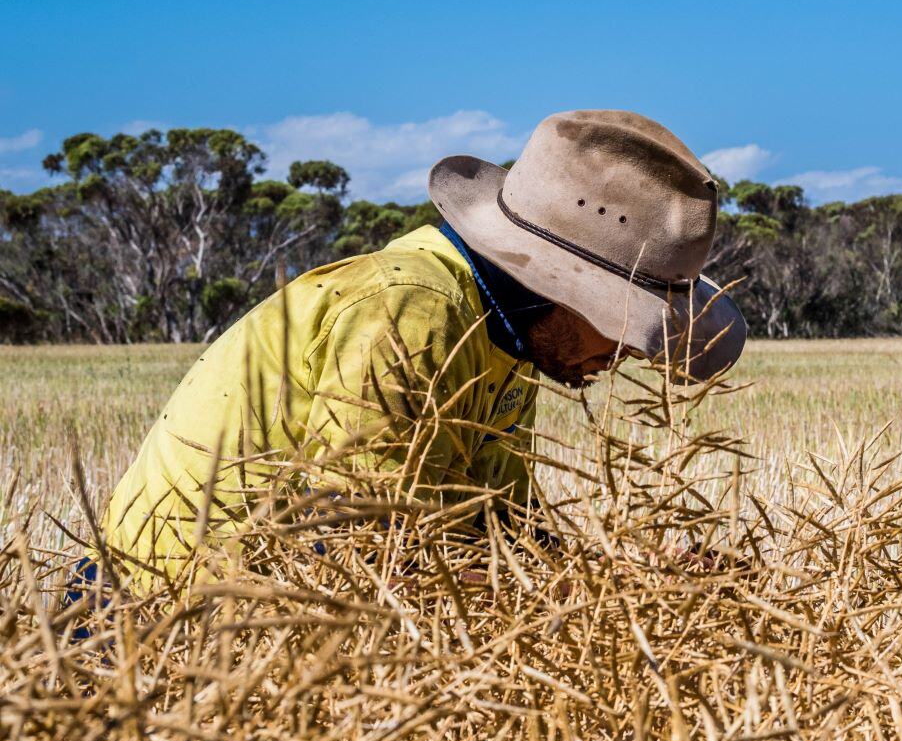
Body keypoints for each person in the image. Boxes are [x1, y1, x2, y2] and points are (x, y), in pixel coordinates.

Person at [98, 110, 746, 582]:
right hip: (159, 627)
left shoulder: (509, 337)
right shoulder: (413, 310)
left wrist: (633, 571)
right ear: (555, 286)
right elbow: (366, 550)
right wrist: (608, 593)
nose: (628, 355)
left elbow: (490, 536)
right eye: (624, 326)